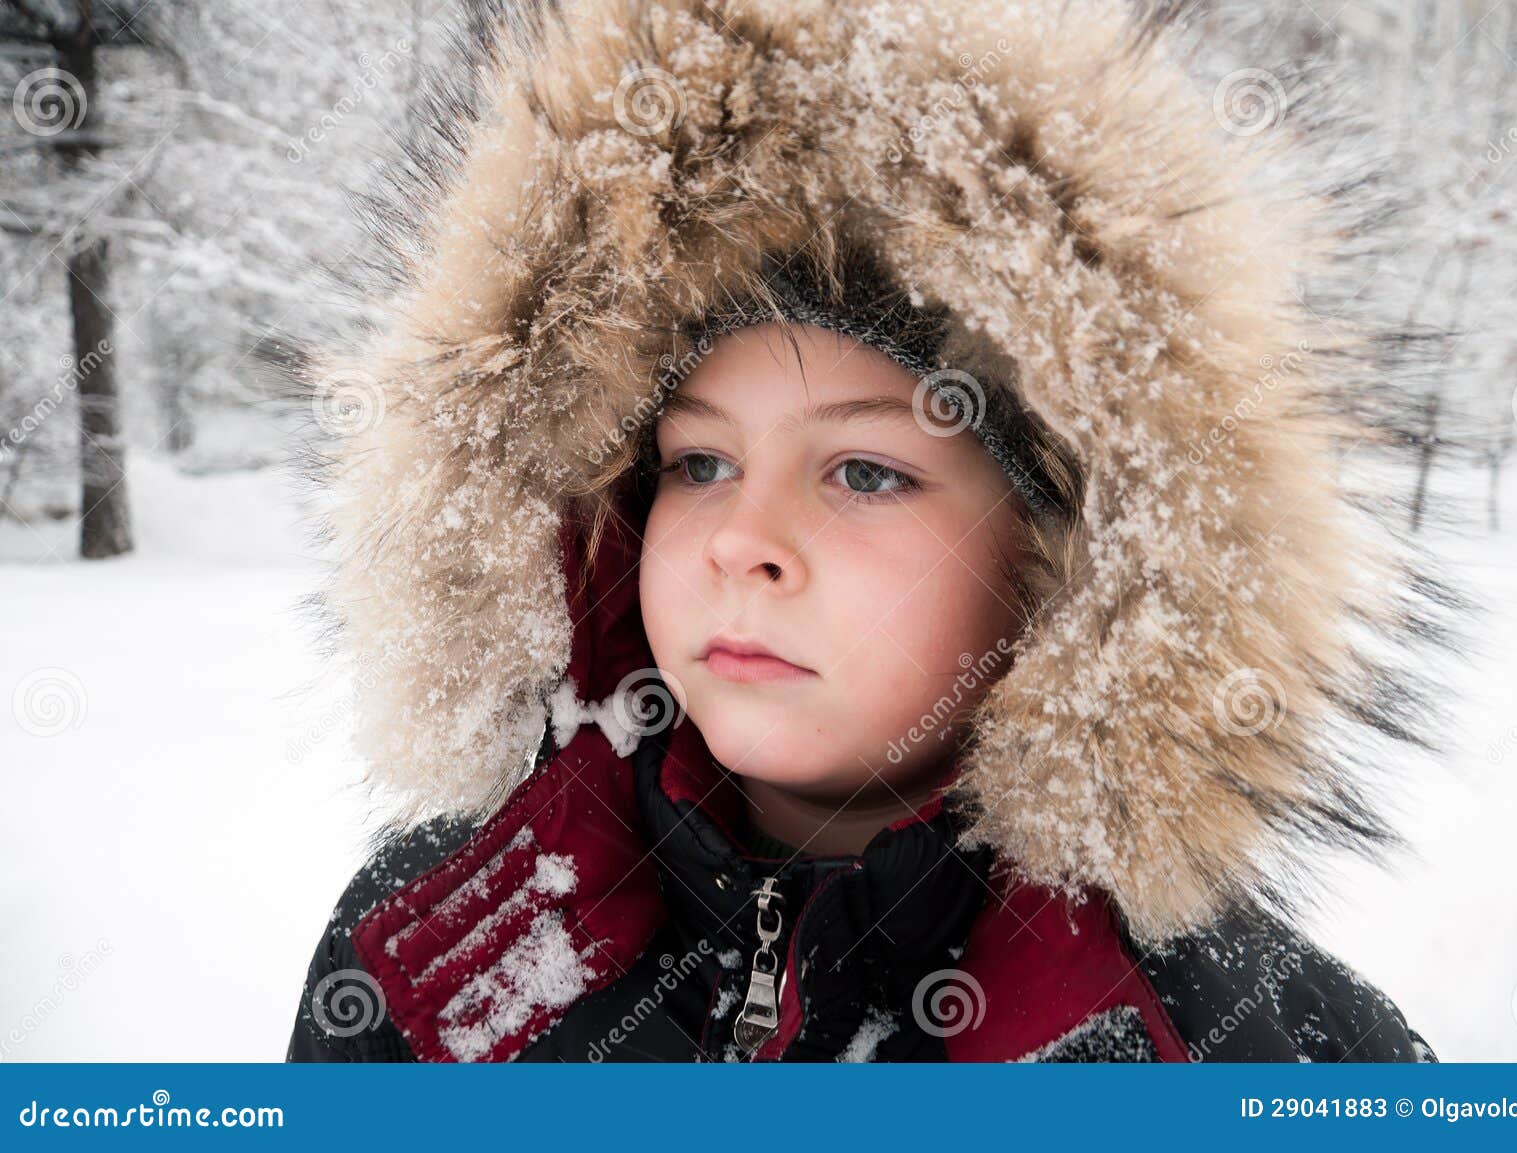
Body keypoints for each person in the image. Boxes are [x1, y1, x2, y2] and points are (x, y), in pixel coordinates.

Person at [285, 0, 1452, 1062]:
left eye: (863, 472)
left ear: (1068, 568)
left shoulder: (1250, 1046)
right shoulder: (433, 957)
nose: (740, 541)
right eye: (699, 463)